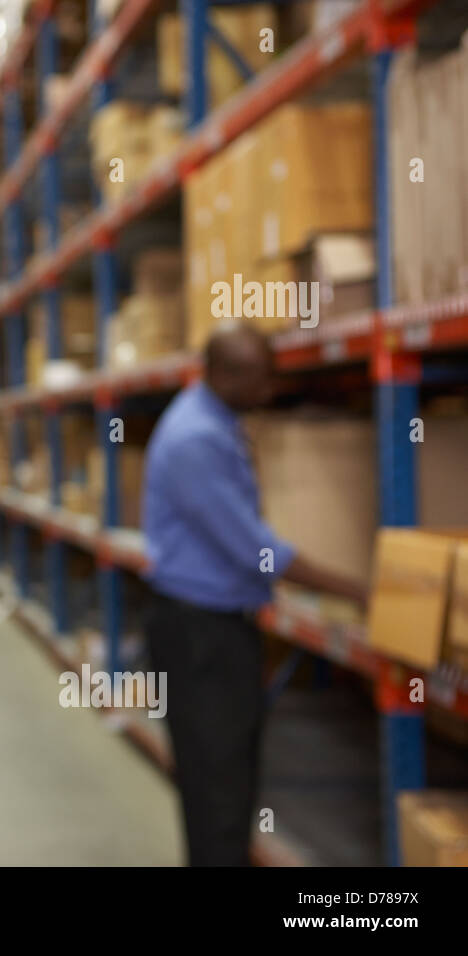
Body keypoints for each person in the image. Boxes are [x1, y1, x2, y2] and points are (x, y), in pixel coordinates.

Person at [140, 319, 366, 866]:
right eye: (259, 379)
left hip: (213, 626)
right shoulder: (197, 438)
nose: (269, 392)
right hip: (201, 637)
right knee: (217, 785)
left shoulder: (213, 421)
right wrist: (355, 589)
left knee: (225, 777)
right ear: (220, 374)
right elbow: (254, 548)